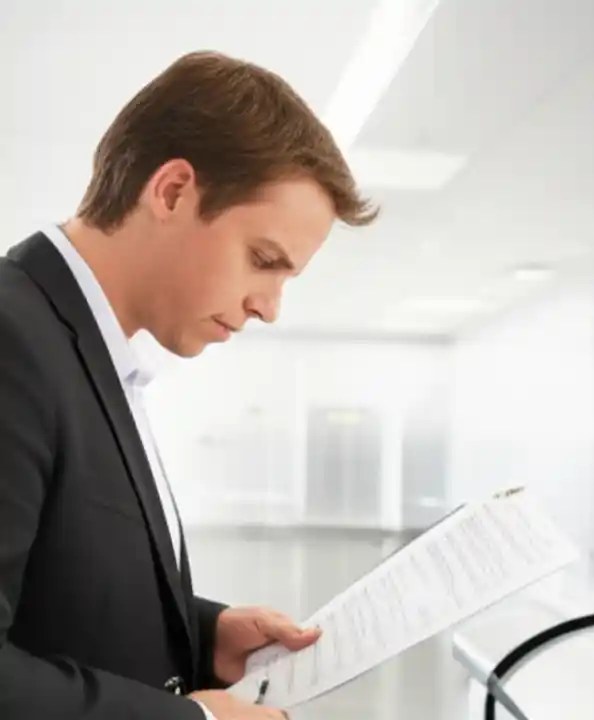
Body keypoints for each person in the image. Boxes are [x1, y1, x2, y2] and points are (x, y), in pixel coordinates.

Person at [0, 51, 377, 719]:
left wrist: (203, 635)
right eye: (264, 261)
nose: (269, 306)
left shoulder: (83, 348)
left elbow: (54, 589)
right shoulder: (12, 337)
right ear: (172, 191)